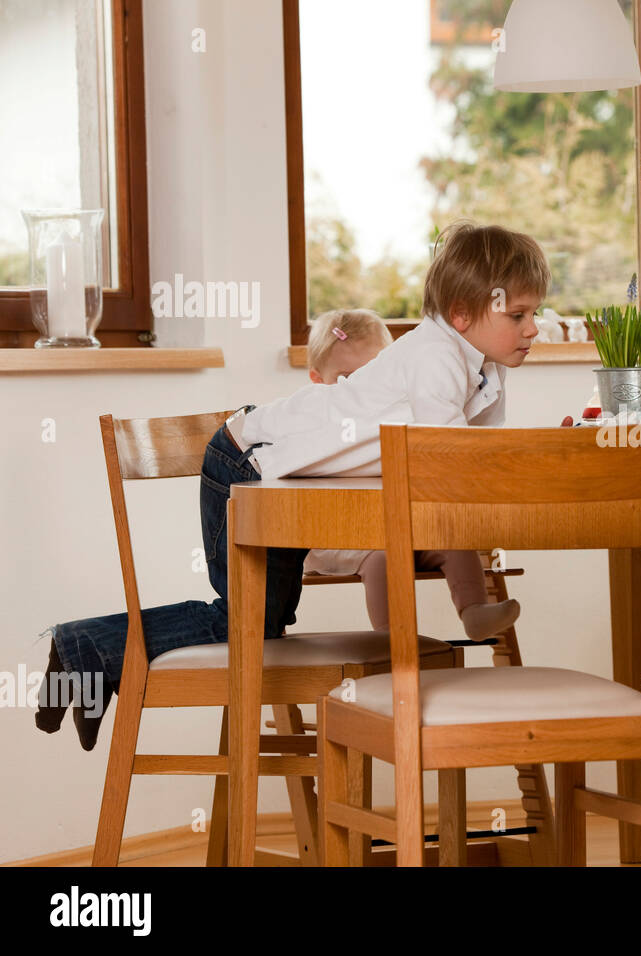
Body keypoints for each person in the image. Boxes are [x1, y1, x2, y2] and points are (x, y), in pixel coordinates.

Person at [35, 221, 546, 750]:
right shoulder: (435, 355)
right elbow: (454, 461)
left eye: (535, 313)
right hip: (247, 463)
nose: (533, 328)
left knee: (252, 626)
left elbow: (475, 461)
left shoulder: (484, 368)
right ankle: (86, 650)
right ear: (461, 313)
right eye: (518, 315)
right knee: (247, 626)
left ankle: (89, 653)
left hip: (284, 471)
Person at [300, 307, 520, 636]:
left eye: (371, 377)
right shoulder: (318, 421)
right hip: (340, 538)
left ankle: (474, 610)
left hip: (402, 528)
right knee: (383, 557)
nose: (363, 392)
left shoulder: (403, 416)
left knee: (452, 539)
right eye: (348, 379)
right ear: (318, 381)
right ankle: (393, 636)